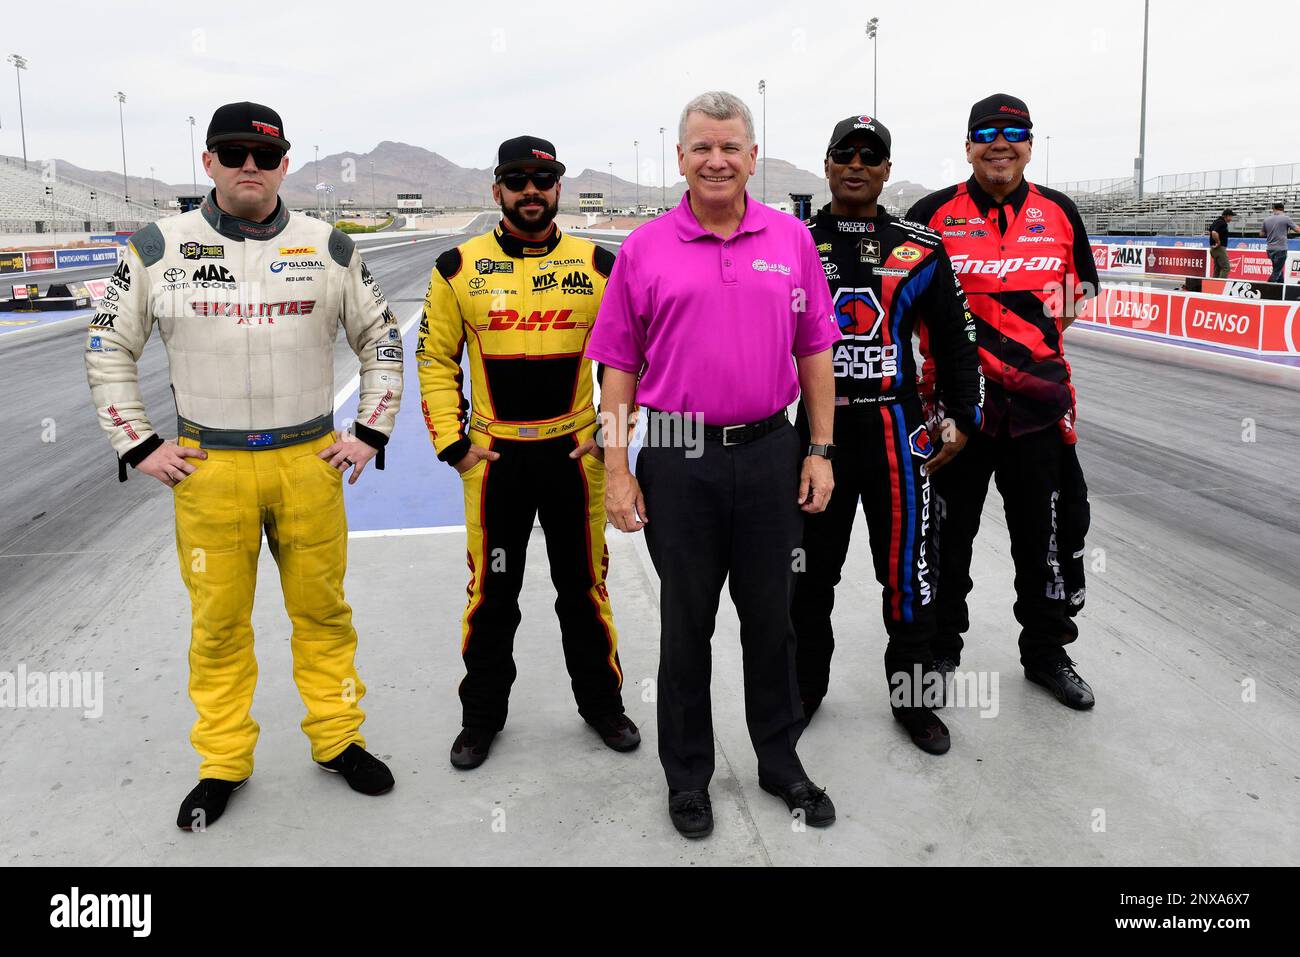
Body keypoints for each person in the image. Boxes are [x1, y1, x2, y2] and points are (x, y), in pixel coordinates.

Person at [84, 102, 403, 830]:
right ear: (209, 164)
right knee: (218, 626)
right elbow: (108, 348)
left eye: (264, 155)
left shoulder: (330, 246)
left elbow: (383, 341)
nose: (249, 168)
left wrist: (371, 434)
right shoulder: (158, 245)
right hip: (208, 467)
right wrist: (139, 444)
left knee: (323, 614)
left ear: (286, 163)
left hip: (310, 461)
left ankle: (338, 738)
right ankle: (224, 760)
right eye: (232, 154)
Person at [588, 91, 841, 839]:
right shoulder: (644, 249)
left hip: (771, 451)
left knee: (773, 622)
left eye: (730, 146)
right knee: (686, 626)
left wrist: (820, 448)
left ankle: (780, 761)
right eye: (701, 147)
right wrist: (616, 465)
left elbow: (816, 350)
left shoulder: (790, 240)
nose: (717, 159)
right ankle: (688, 777)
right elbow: (617, 369)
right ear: (681, 160)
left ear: (753, 156)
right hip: (679, 453)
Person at [416, 135, 637, 770]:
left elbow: (631, 357)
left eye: (543, 180)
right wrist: (451, 445)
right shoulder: (458, 266)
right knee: (492, 592)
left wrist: (611, 433)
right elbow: (434, 359)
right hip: (495, 464)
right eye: (517, 181)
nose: (530, 191)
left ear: (558, 188)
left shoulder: (599, 263)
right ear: (498, 192)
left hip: (575, 457)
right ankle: (481, 718)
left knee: (584, 588)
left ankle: (602, 705)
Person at [791, 115, 984, 755]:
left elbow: (958, 344)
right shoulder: (792, 242)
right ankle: (804, 689)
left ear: (886, 170)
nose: (856, 164)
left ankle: (915, 702)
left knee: (909, 573)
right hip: (819, 431)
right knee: (809, 573)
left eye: (870, 156)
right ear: (825, 164)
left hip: (896, 427)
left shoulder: (921, 245)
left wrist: (959, 417)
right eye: (843, 152)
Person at [907, 93, 1099, 711]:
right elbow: (899, 303)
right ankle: (939, 648)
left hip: (1040, 410)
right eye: (987, 133)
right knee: (944, 536)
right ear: (968, 145)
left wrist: (1025, 356)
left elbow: (1078, 295)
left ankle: (1047, 652)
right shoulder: (930, 213)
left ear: (1030, 144)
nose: (1001, 143)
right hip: (956, 412)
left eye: (1015, 132)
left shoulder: (1060, 211)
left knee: (1050, 532)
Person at [1261, 202, 1298, 283]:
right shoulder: (1286, 218)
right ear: (1283, 209)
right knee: (1277, 271)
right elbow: (1297, 230)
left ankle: (1281, 289)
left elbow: (1261, 234)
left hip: (1270, 249)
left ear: (1273, 209)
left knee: (1278, 270)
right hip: (1281, 249)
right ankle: (1266, 289)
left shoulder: (1266, 219)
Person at [1209, 209, 1235, 279]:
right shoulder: (1222, 223)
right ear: (1227, 216)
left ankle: (1213, 286)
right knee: (1226, 268)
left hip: (1213, 248)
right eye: (1231, 216)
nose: (1232, 218)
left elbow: (1210, 231)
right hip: (1219, 248)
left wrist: (1213, 242)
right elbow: (1214, 232)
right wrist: (1218, 242)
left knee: (1217, 269)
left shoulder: (1216, 221)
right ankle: (1220, 286)